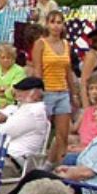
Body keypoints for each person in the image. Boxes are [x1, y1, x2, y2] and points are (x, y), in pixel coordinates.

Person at [34, 10, 79, 164]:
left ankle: (60, 165)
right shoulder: (41, 43)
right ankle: (38, 164)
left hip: (63, 92)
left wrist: (73, 94)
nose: (56, 26)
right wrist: (39, 92)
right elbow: (37, 70)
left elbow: (68, 70)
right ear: (47, 24)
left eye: (59, 22)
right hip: (47, 91)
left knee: (63, 134)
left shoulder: (66, 44)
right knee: (42, 132)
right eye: (53, 22)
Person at [0, 77, 50, 176]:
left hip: (12, 162)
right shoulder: (24, 108)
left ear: (36, 94)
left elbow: (3, 133)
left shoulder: (33, 112)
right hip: (5, 157)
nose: (18, 93)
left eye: (24, 90)